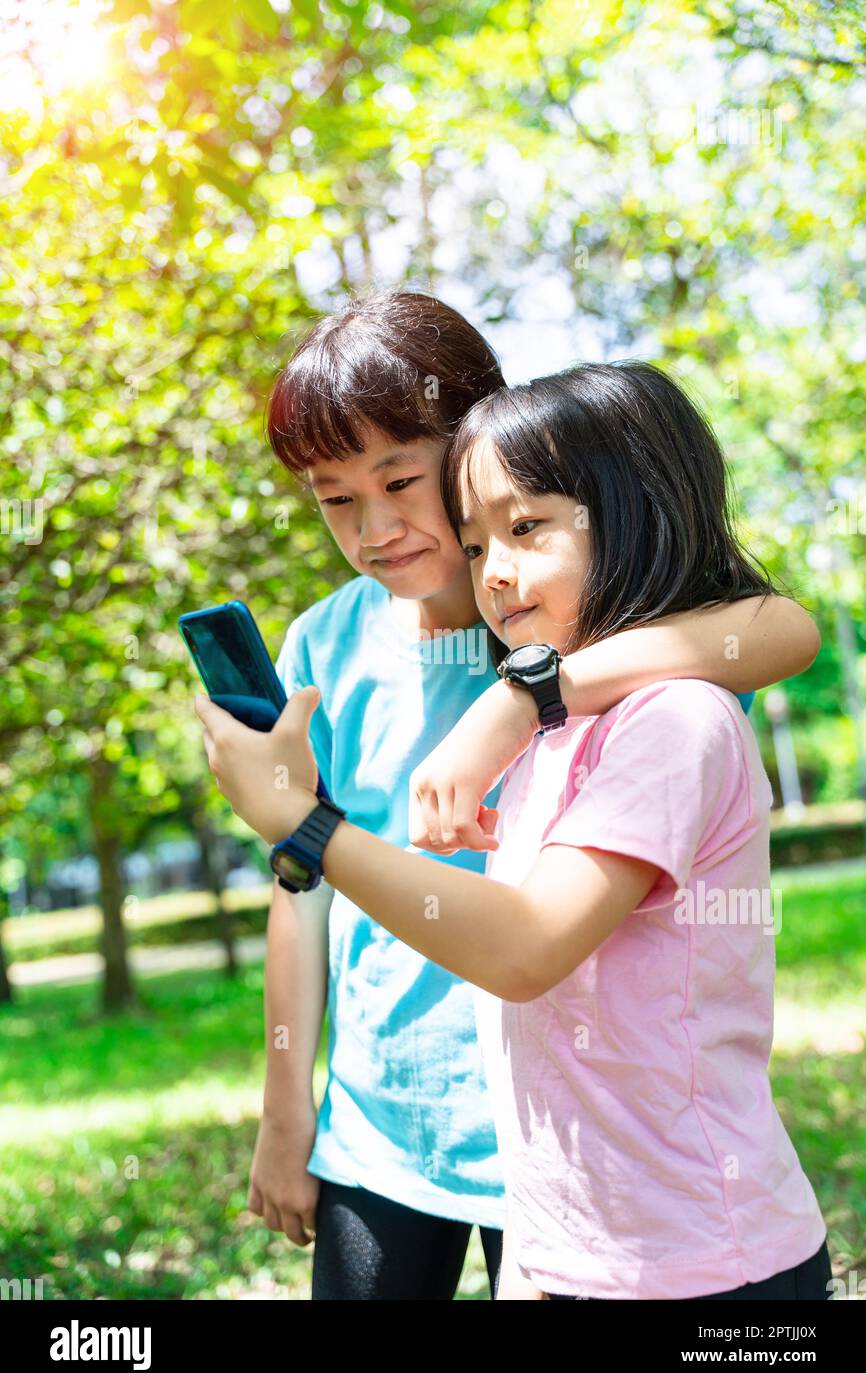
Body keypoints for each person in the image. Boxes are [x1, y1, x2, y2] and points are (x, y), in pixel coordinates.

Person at [229, 311, 823, 1299]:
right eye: (334, 500)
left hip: (561, 1140)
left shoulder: (579, 620)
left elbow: (780, 627)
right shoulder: (323, 649)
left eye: (398, 483)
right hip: (384, 1119)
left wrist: (526, 690)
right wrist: (287, 1109)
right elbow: (300, 885)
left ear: (474, 444)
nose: (373, 530)